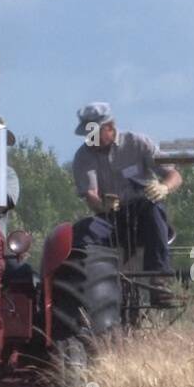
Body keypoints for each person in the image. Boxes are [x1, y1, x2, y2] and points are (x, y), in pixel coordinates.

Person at [70, 102, 182, 306]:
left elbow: (174, 175)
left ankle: (159, 282)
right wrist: (101, 205)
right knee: (81, 232)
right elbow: (91, 194)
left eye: (93, 132)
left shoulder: (138, 143)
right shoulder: (83, 156)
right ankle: (81, 291)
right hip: (110, 218)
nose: (89, 139)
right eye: (87, 133)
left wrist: (164, 187)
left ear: (110, 127)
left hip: (143, 215)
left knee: (152, 209)